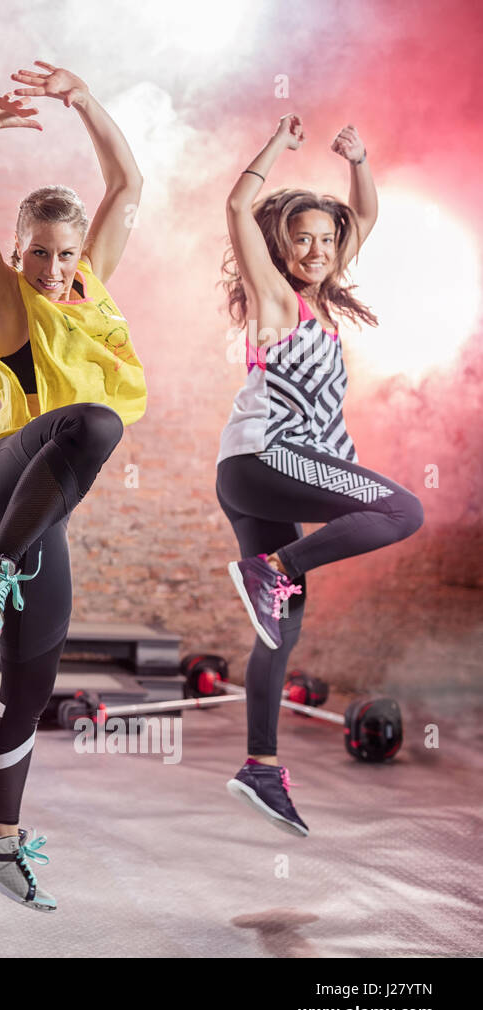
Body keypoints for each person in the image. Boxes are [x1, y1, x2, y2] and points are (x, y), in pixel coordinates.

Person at [0, 62, 144, 910]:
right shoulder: (11, 299)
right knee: (95, 422)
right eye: (39, 254)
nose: (55, 269)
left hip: (39, 517)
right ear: (18, 252)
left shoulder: (88, 289)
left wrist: (84, 98)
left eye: (65, 256)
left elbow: (129, 185)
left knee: (31, 681)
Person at [218, 115, 423, 836]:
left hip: (257, 471)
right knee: (403, 511)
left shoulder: (324, 299)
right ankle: (270, 566)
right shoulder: (276, 298)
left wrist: (360, 158)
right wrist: (276, 142)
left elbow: (361, 213)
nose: (315, 249)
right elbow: (238, 208)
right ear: (282, 245)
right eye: (301, 238)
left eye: (325, 241)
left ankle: (261, 767)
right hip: (266, 458)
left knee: (283, 625)